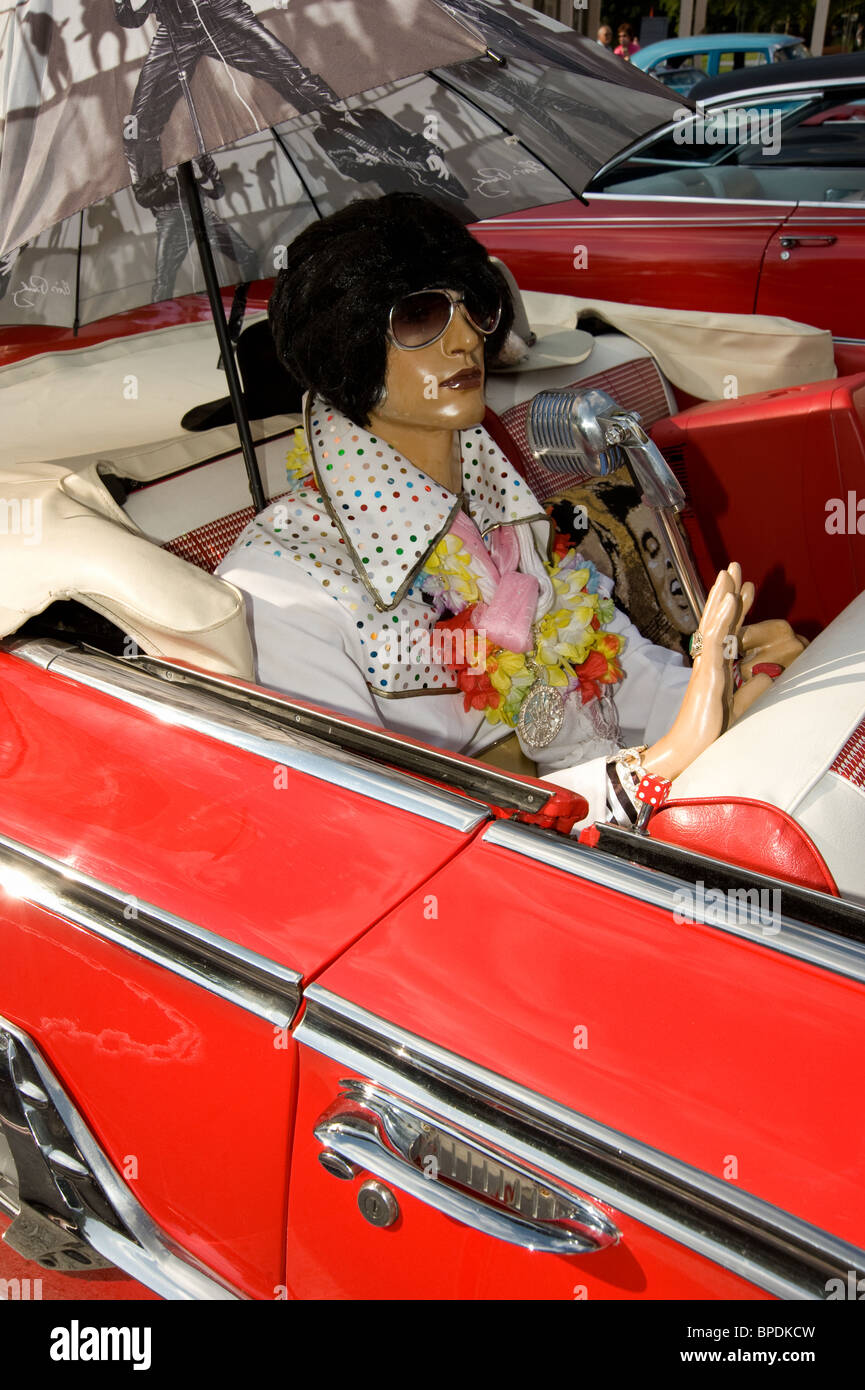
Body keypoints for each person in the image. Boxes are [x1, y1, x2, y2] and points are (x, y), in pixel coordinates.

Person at [217, 194, 802, 827]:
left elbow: (612, 670)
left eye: (474, 305)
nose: (466, 338)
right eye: (421, 317)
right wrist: (660, 766)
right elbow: (386, 830)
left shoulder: (500, 509)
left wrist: (725, 694)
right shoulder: (279, 587)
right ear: (347, 347)